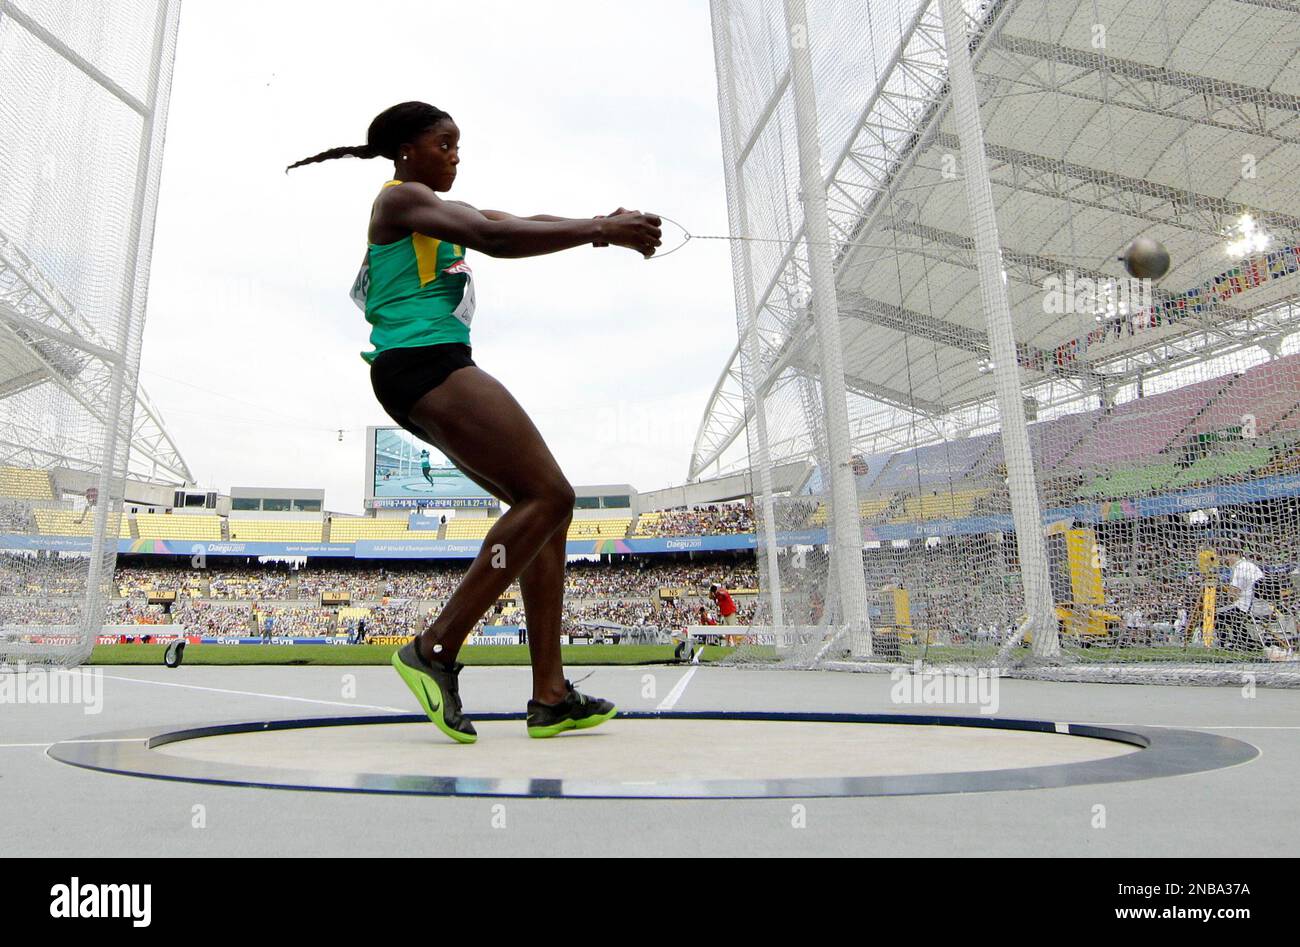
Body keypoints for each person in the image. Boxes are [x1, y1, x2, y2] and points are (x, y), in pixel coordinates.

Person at [287, 102, 660, 743]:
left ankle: (549, 695)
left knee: (541, 510)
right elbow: (498, 239)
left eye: (459, 145)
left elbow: (510, 221)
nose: (456, 154)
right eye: (445, 143)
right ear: (408, 149)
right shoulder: (400, 201)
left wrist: (602, 223)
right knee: (551, 495)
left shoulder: (438, 217)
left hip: (424, 368)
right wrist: (602, 228)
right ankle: (433, 648)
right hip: (423, 363)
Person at [1215, 540, 1265, 652]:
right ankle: (1246, 642)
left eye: (1224, 556)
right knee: (1230, 614)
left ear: (1233, 554)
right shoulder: (1250, 565)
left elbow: (1233, 595)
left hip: (1248, 606)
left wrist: (1221, 590)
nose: (1224, 560)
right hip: (1262, 605)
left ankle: (1225, 644)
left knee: (1218, 615)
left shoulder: (1240, 568)